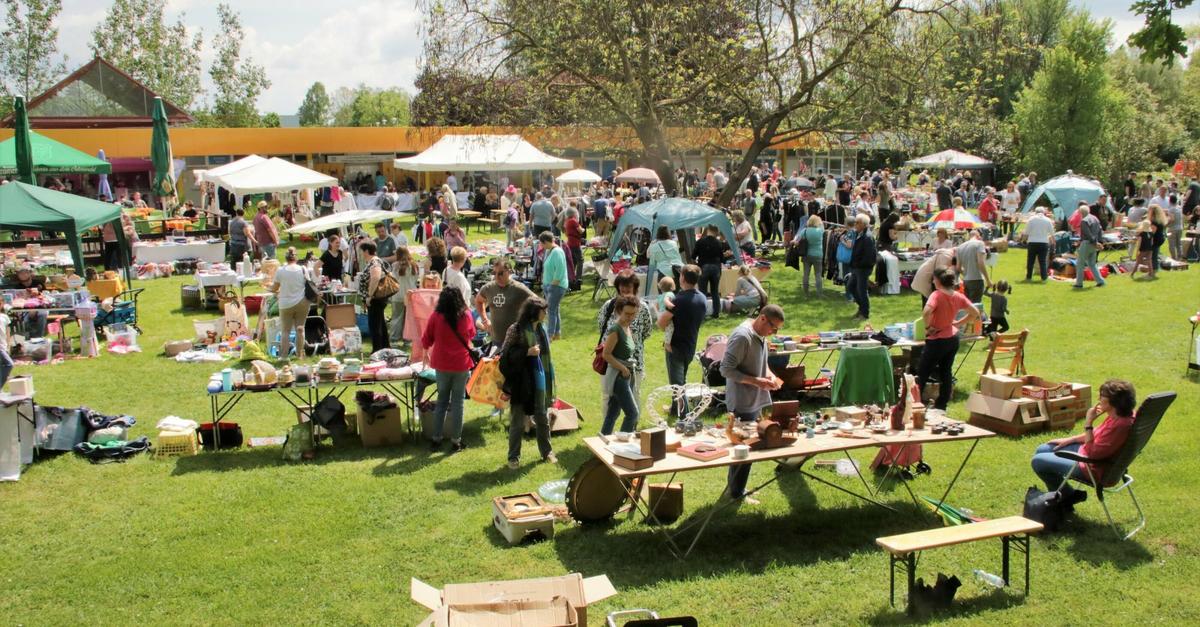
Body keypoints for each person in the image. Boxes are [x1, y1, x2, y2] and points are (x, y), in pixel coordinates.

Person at [1030, 379, 1138, 508]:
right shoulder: (1122, 415)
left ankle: (1065, 497)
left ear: (1114, 401)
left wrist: (1088, 423)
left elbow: (1093, 454)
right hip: (1092, 456)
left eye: (1102, 395)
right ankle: (1067, 494)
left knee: (1038, 461)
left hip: (1095, 468)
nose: (1099, 398)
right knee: (1043, 449)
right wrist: (1070, 440)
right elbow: (1097, 434)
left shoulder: (1120, 426)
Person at [720, 305, 785, 504]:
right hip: (741, 401)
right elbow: (725, 369)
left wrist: (770, 375)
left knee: (749, 447)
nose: (774, 333)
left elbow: (761, 362)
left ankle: (736, 488)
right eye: (773, 328)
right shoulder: (743, 337)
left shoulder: (760, 334)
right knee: (743, 448)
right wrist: (757, 381)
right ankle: (736, 493)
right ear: (763, 319)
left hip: (755, 400)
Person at [499, 297, 557, 469]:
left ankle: (547, 452)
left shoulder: (541, 329)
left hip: (539, 381)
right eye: (543, 310)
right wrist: (527, 352)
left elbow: (546, 358)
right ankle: (513, 457)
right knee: (517, 421)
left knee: (542, 417)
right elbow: (504, 357)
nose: (546, 313)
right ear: (533, 312)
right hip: (521, 381)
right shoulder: (515, 329)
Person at [421, 286, 476, 453]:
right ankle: (456, 440)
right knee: (458, 403)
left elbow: (426, 338)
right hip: (461, 364)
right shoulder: (466, 315)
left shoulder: (436, 316)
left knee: (442, 402)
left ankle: (436, 439)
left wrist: (425, 353)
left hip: (442, 365)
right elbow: (472, 334)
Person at [917, 268, 980, 411]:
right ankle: (942, 404)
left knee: (923, 372)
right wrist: (958, 324)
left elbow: (926, 312)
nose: (933, 281)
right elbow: (975, 313)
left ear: (938, 281)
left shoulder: (937, 295)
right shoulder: (958, 295)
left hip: (937, 339)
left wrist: (927, 328)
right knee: (946, 371)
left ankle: (916, 402)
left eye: (934, 279)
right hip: (952, 338)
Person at [596, 271, 655, 417]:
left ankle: (632, 431)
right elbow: (602, 328)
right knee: (608, 397)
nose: (625, 289)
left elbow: (647, 331)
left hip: (634, 363)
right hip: (609, 361)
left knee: (634, 396)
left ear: (635, 287)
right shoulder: (609, 306)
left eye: (628, 286)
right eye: (622, 285)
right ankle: (607, 432)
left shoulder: (643, 308)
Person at [657, 265, 707, 387]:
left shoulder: (679, 300)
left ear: (682, 278)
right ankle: (675, 407)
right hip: (690, 345)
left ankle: (681, 406)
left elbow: (661, 323)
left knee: (677, 388)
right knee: (681, 383)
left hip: (675, 348)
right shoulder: (702, 298)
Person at [599, 295, 641, 435]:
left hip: (626, 375)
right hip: (618, 377)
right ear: (619, 311)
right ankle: (622, 445)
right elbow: (606, 354)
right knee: (632, 414)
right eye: (627, 314)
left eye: (633, 314)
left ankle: (603, 441)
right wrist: (623, 368)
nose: (630, 317)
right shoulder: (615, 329)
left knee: (612, 413)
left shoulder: (627, 327)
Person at [475, 257, 536, 347]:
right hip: (496, 340)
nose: (496, 277)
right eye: (494, 273)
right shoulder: (488, 288)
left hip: (515, 341)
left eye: (500, 273)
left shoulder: (518, 288)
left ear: (509, 271)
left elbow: (538, 303)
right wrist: (484, 320)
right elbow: (478, 301)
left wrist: (531, 323)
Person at [271, 247, 311, 360]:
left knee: (285, 331)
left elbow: (275, 288)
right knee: (300, 329)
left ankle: (283, 356)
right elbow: (308, 283)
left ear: (286, 258)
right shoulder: (303, 269)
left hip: (285, 304)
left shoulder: (280, 270)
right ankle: (299, 355)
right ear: (296, 257)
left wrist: (268, 288)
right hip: (302, 302)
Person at [357, 241, 391, 352]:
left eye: (362, 251)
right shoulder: (374, 261)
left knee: (374, 325)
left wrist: (369, 296)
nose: (361, 254)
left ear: (366, 251)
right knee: (380, 323)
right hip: (377, 298)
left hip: (375, 298)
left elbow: (375, 278)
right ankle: (385, 347)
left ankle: (377, 350)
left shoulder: (374, 262)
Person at [692, 225, 730, 319]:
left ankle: (702, 313)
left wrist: (696, 263)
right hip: (716, 268)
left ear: (708, 230)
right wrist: (726, 255)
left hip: (703, 267)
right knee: (715, 291)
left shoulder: (700, 241)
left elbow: (693, 256)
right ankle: (716, 312)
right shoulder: (718, 242)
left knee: (702, 292)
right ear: (716, 232)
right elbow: (722, 259)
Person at [538, 232, 568, 340]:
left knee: (550, 310)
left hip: (556, 286)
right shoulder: (548, 250)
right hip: (549, 285)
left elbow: (559, 272)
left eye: (542, 244)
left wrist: (551, 286)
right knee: (555, 310)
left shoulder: (557, 252)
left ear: (546, 242)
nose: (541, 246)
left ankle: (549, 335)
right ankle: (556, 333)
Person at [3, 267, 48, 337]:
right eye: (21, 274)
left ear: (30, 274)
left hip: (40, 306)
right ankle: (30, 336)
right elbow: (16, 300)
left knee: (42, 314)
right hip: (24, 307)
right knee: (24, 319)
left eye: (25, 273)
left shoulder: (38, 284)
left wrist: (38, 293)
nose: (23, 275)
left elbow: (46, 296)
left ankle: (39, 336)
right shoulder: (17, 286)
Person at [389, 246, 421, 345]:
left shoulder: (395, 265)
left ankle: (394, 338)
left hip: (398, 295)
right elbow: (416, 279)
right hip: (411, 294)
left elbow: (393, 279)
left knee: (396, 317)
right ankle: (408, 339)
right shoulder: (414, 265)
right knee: (409, 318)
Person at [848, 214, 875, 320]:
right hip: (857, 267)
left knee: (862, 291)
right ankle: (861, 308)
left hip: (863, 268)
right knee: (851, 286)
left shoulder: (867, 237)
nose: (855, 224)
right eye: (855, 222)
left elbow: (869, 256)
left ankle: (865, 313)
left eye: (857, 222)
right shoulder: (859, 234)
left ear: (864, 225)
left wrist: (860, 265)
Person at [1074, 205, 1106, 289]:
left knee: (1080, 263)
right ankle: (1100, 281)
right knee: (1092, 264)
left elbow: (1087, 234)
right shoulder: (1095, 218)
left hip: (1087, 243)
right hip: (1093, 244)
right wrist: (1099, 241)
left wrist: (1095, 242)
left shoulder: (1084, 221)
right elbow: (1100, 230)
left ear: (1081, 213)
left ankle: (1079, 283)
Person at [955, 229, 991, 302]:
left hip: (966, 280)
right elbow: (980, 262)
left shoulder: (960, 247)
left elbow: (958, 267)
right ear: (978, 236)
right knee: (976, 306)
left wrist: (966, 273)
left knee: (968, 306)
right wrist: (988, 279)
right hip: (977, 279)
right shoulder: (979, 244)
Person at [793, 215, 825, 295]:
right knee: (818, 274)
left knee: (806, 274)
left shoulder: (805, 231)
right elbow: (823, 227)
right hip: (818, 254)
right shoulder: (820, 230)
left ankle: (806, 292)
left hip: (806, 254)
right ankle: (819, 293)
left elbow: (797, 242)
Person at [1023, 208, 1055, 281]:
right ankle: (1044, 277)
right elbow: (1052, 233)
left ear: (1035, 212)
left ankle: (1029, 277)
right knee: (1042, 261)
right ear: (1043, 212)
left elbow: (1026, 232)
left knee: (1030, 261)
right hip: (1044, 242)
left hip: (1032, 242)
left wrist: (1023, 240)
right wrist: (1053, 242)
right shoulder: (1048, 220)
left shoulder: (1031, 219)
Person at [564, 208, 585, 286]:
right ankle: (578, 278)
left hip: (570, 242)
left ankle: (572, 277)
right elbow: (580, 230)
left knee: (574, 261)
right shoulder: (573, 220)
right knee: (580, 260)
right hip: (575, 243)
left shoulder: (567, 221)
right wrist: (582, 229)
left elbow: (566, 233)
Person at [1147, 201, 1169, 277]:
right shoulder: (1160, 220)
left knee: (1152, 256)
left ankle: (1154, 270)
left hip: (1155, 239)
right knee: (1155, 254)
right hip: (1160, 238)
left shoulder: (1153, 221)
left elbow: (1152, 233)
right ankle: (1155, 269)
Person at [1167, 194, 1185, 260]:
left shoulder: (1171, 209)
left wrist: (1166, 224)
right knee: (1179, 244)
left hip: (1172, 228)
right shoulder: (1179, 207)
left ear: (1170, 201)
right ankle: (1180, 257)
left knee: (1172, 244)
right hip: (1180, 227)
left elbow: (1172, 219)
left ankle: (1173, 257)